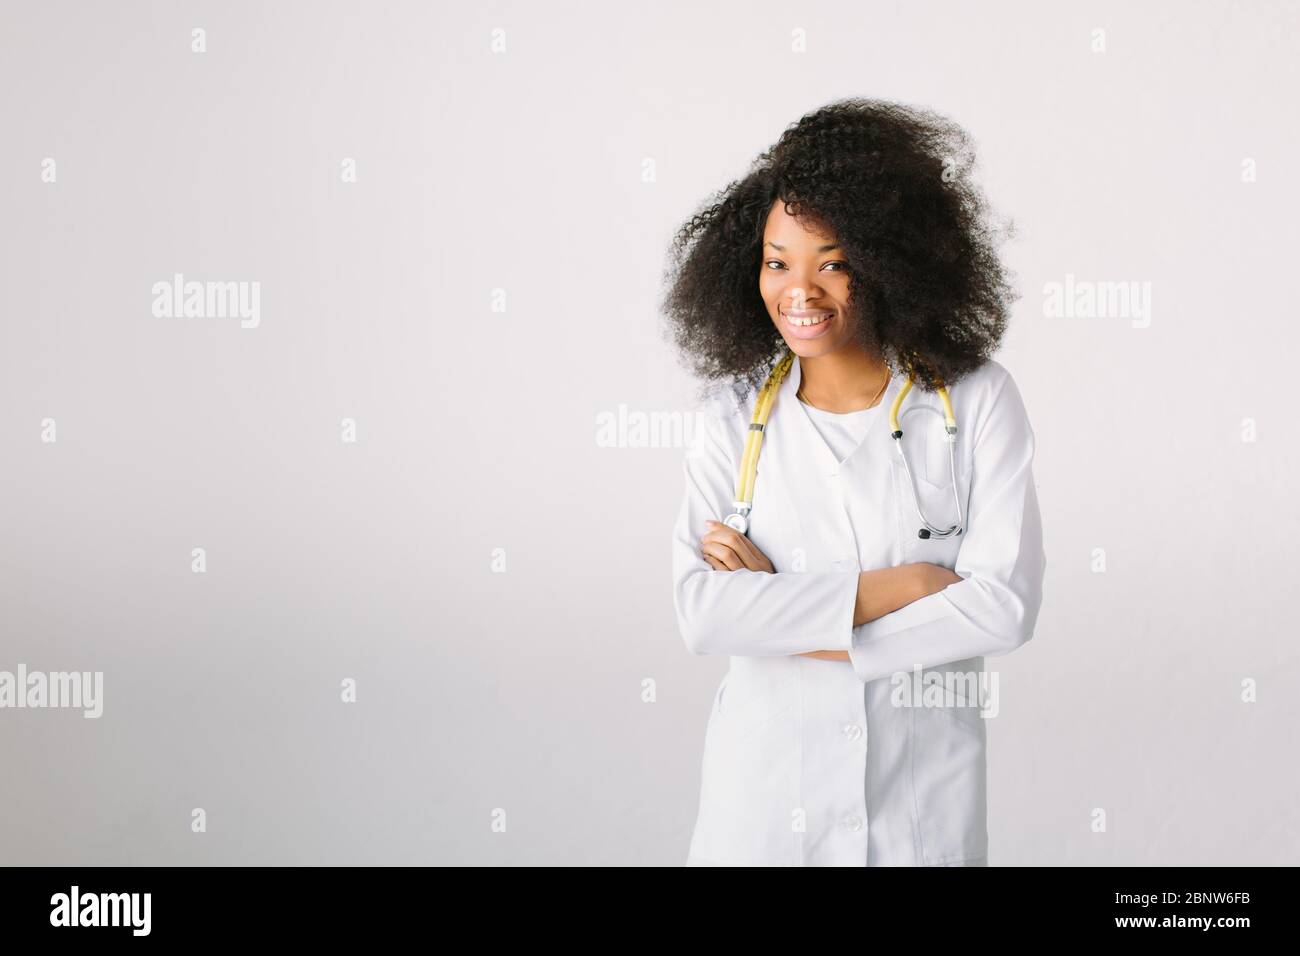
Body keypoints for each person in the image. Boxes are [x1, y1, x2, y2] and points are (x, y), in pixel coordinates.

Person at [662, 98, 1046, 866]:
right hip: (762, 819)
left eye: (832, 263)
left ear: (889, 260)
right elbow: (704, 615)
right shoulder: (730, 421)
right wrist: (905, 586)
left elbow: (1002, 608)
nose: (799, 291)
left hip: (918, 818)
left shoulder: (975, 400)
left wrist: (783, 615)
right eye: (778, 262)